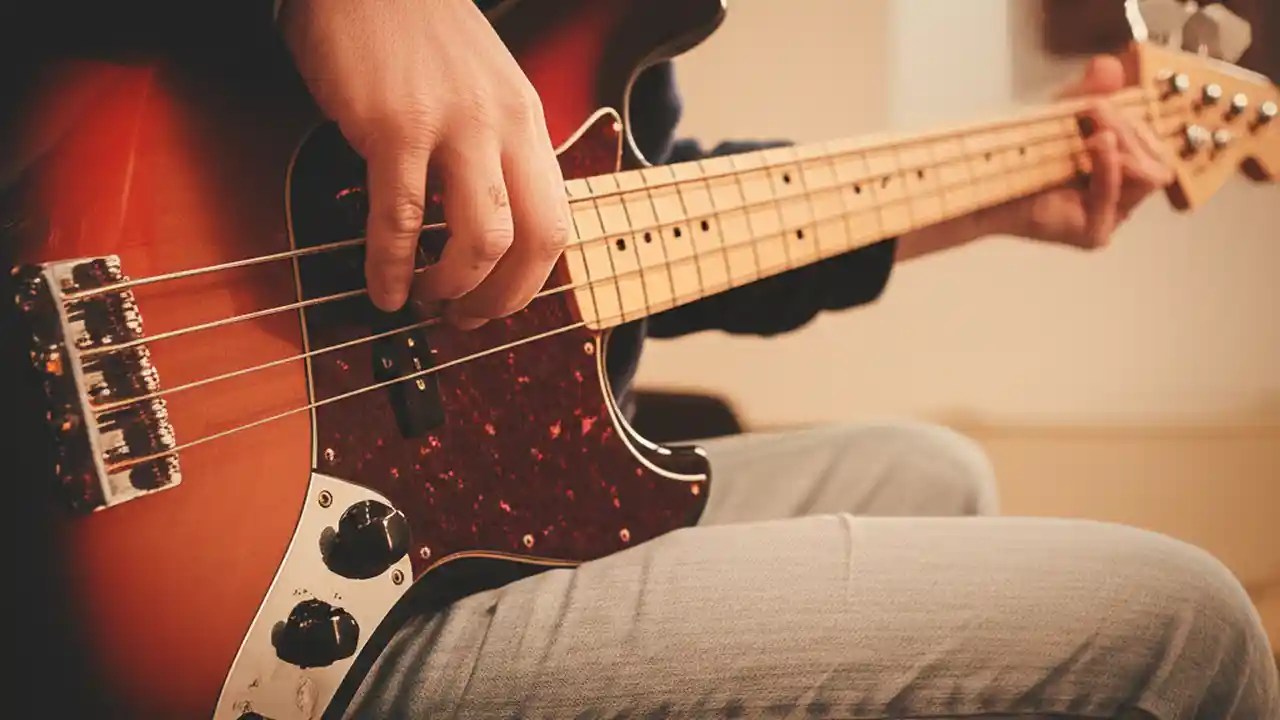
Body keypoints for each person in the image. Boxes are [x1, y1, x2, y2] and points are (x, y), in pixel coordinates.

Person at [271, 1, 1280, 719]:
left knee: (929, 471)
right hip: (279, 572)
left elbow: (623, 217)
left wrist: (993, 196)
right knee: (1189, 631)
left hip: (465, 479)